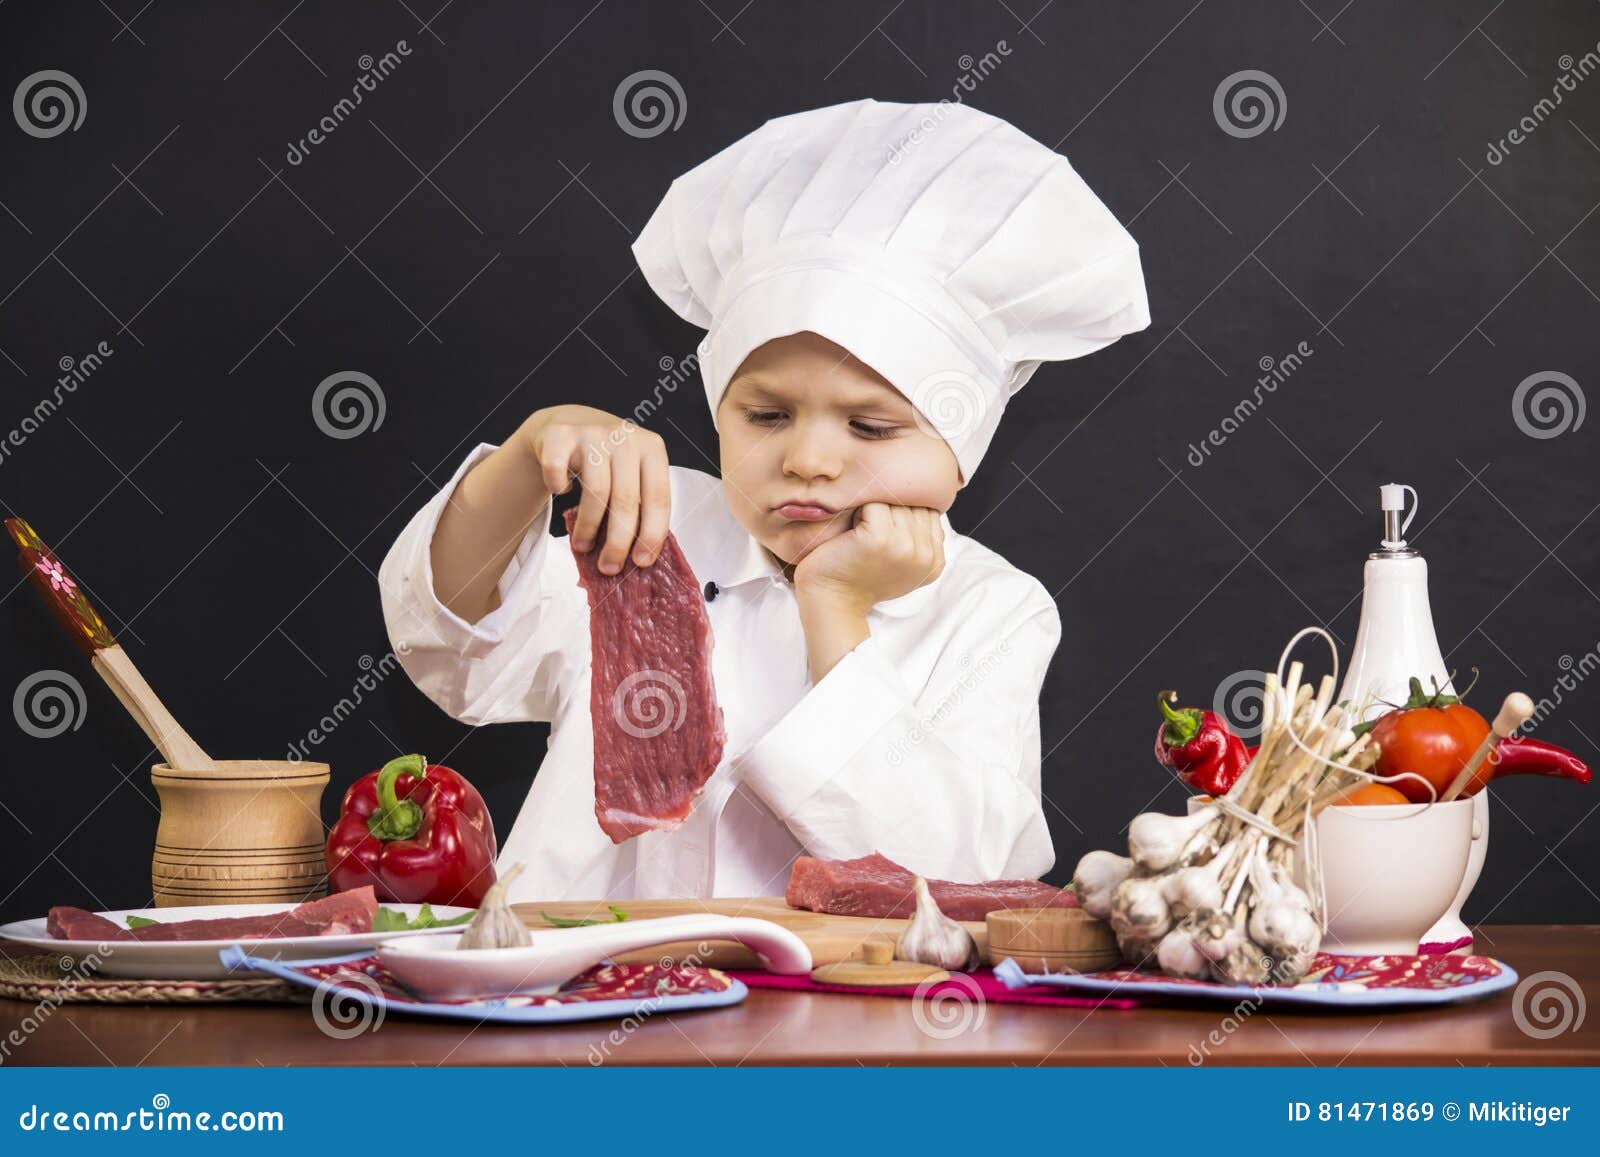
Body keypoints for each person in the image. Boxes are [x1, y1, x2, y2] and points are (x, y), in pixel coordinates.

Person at [379, 99, 1150, 902]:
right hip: (583, 998)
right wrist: (529, 453)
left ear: (961, 451)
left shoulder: (991, 609)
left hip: (833, 1022)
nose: (808, 459)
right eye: (767, 415)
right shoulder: (648, 523)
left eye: (872, 426)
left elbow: (960, 873)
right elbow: (450, 647)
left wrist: (837, 607)